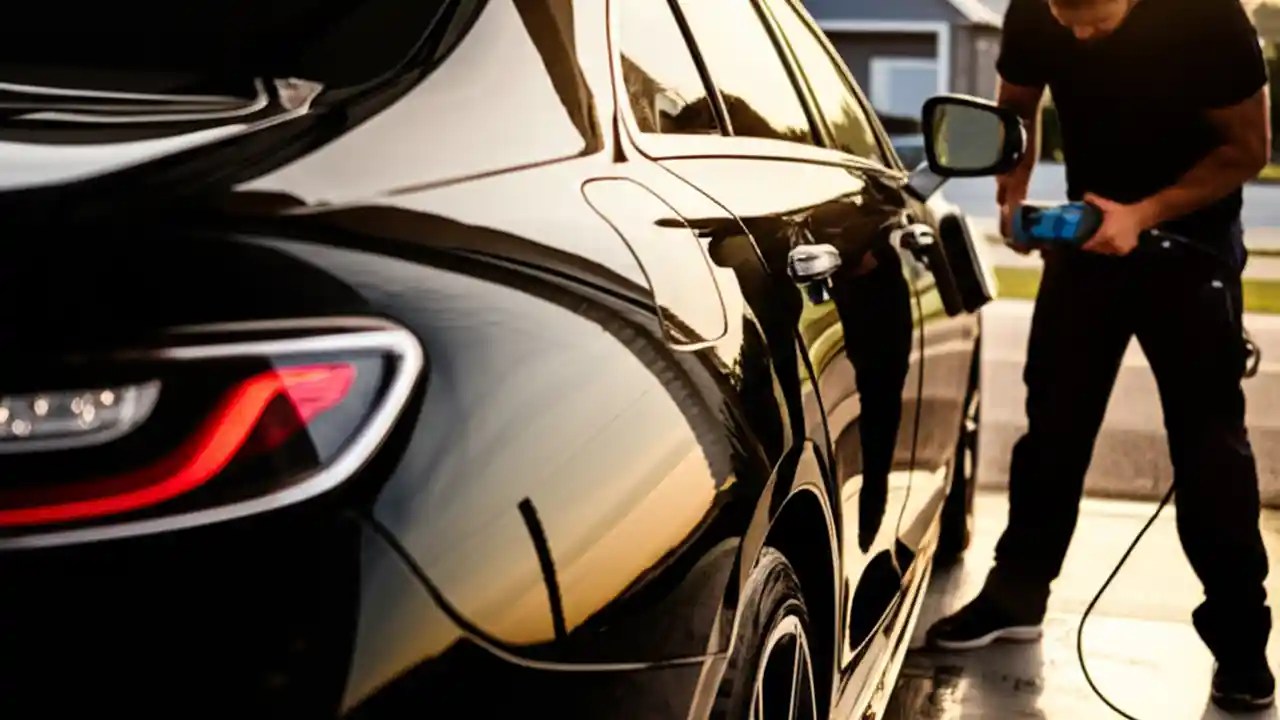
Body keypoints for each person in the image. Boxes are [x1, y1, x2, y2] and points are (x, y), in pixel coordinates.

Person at [924, 0, 1276, 712]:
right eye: (1065, 17)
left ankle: (1240, 640)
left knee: (1211, 451)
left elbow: (1248, 149)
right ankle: (1017, 594)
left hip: (1191, 244)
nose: (1078, 35)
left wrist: (1141, 216)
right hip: (1085, 239)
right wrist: (1011, 202)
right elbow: (1015, 114)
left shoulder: (1209, 17)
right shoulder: (1036, 11)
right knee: (1051, 427)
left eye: (1094, 19)